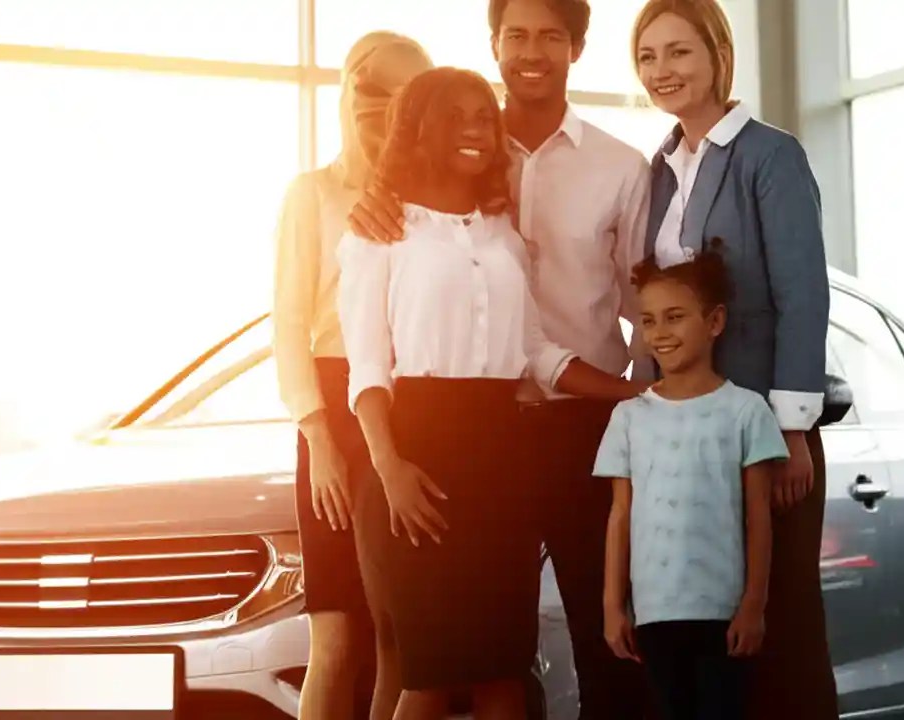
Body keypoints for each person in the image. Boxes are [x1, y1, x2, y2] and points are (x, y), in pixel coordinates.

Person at [349, 2, 656, 718]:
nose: (532, 50)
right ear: (494, 45)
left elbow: (561, 343)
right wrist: (388, 464)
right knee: (439, 672)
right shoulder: (387, 222)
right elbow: (367, 366)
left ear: (577, 48)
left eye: (551, 35)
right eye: (516, 34)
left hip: (541, 444)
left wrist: (637, 398)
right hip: (435, 450)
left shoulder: (575, 191)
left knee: (545, 657)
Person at [631, 1, 836, 717]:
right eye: (649, 56)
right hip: (683, 436)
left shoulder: (770, 156)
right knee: (707, 640)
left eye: (679, 52)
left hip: (760, 432)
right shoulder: (661, 167)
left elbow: (802, 295)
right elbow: (652, 304)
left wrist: (792, 428)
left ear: (719, 53)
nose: (663, 71)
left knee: (782, 632)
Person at [272, 31, 432, 720]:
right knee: (336, 635)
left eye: (402, 92)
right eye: (372, 89)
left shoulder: (428, 198)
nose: (383, 105)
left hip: (412, 408)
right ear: (349, 94)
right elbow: (286, 325)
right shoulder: (311, 194)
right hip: (335, 408)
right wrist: (319, 440)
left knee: (399, 628)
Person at [596, 245, 783, 720]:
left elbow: (758, 515)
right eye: (650, 320)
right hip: (654, 615)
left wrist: (753, 605)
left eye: (675, 317)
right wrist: (612, 606)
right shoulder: (628, 418)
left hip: (724, 614)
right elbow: (620, 517)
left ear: (715, 322)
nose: (660, 333)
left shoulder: (746, 411)